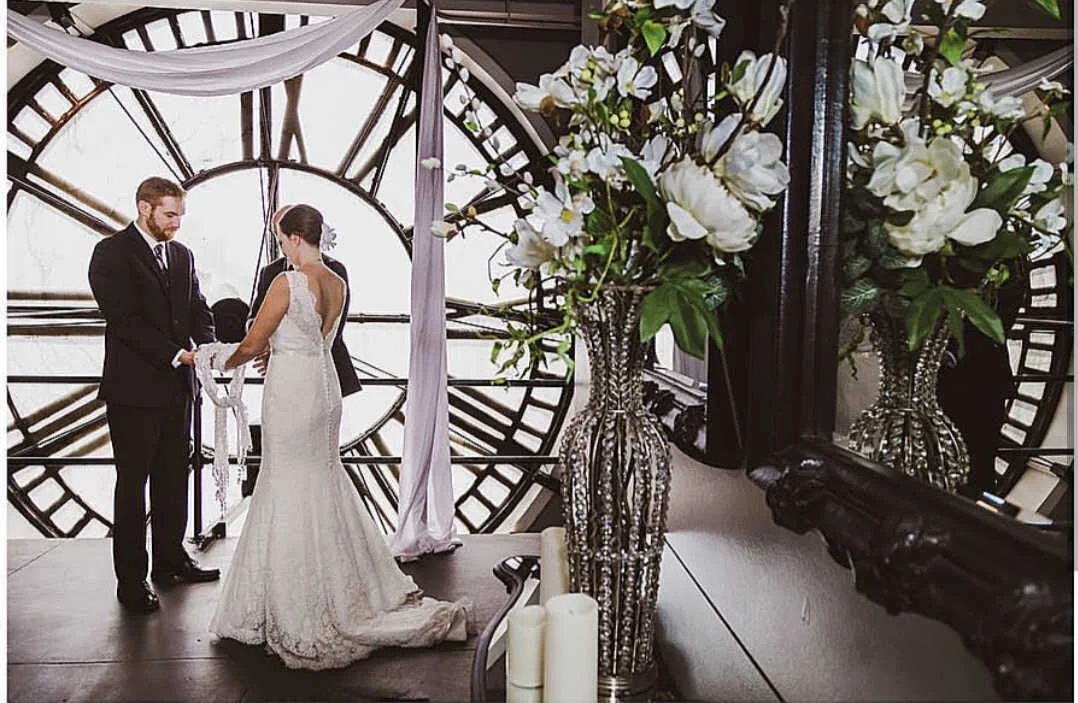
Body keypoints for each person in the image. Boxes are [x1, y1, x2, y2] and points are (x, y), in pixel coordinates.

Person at [208, 204, 469, 670]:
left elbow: (250, 344)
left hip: (292, 392)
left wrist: (208, 360)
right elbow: (311, 336)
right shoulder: (338, 283)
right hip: (324, 390)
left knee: (287, 483)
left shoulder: (288, 282)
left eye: (282, 239)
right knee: (320, 480)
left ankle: (295, 602)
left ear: (292, 238)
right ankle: (341, 587)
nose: (282, 247)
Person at [88, 176, 220, 614]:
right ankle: (131, 581)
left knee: (172, 479)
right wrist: (174, 353)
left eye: (180, 215)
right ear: (144, 207)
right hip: (133, 392)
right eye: (169, 214)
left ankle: (169, 561)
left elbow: (198, 307)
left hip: (176, 389)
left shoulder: (181, 255)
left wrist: (205, 343)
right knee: (132, 486)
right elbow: (122, 320)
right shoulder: (111, 253)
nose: (177, 224)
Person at [249, 205, 361, 396]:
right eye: (277, 235)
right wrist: (266, 347)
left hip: (328, 369)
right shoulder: (269, 273)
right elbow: (254, 318)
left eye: (282, 235)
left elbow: (333, 328)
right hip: (284, 373)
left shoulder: (335, 271)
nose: (281, 243)